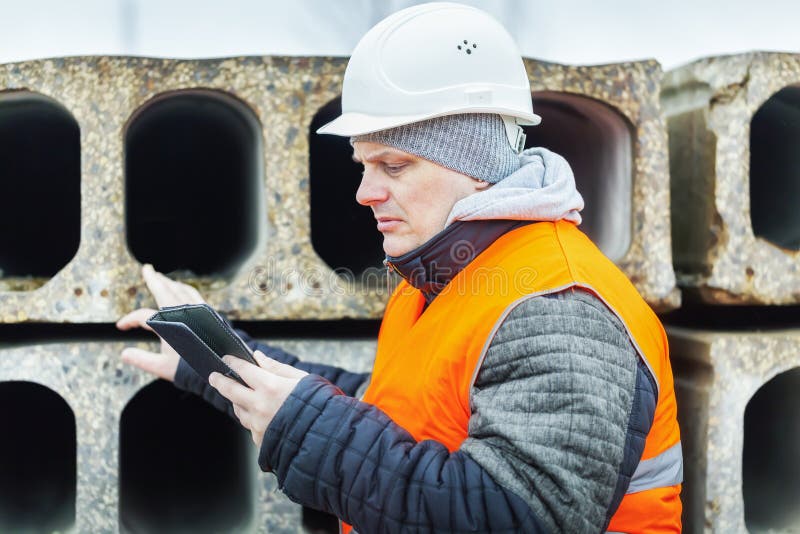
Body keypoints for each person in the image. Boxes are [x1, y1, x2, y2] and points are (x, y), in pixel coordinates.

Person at [118, 3, 682, 532]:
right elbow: (396, 406)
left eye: (394, 164)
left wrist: (302, 425)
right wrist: (221, 363)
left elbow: (511, 514)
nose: (365, 192)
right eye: (364, 164)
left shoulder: (561, 310)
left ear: (477, 166)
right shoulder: (450, 274)